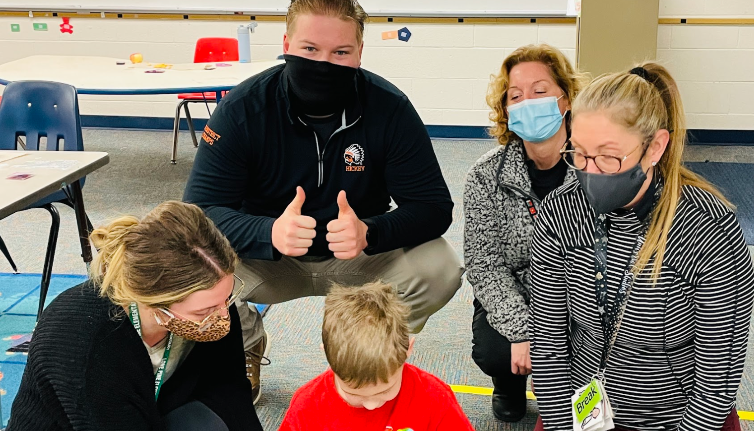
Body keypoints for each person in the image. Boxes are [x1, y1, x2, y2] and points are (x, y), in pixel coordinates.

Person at [183, 0, 462, 404]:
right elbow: (200, 212)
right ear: (286, 44)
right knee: (183, 265)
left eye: (341, 53)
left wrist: (371, 232)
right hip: (265, 259)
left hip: (357, 259)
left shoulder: (389, 108)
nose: (323, 64)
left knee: (440, 266)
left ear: (360, 52)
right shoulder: (243, 109)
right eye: (310, 50)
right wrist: (269, 231)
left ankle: (375, 356)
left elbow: (434, 208)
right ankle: (243, 343)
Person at [529, 62, 754, 431]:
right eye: (580, 154)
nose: (590, 172)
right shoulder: (559, 213)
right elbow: (549, 347)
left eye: (608, 156)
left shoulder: (709, 229)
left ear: (655, 147)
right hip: (583, 412)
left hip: (680, 416)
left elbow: (717, 382)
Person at [7, 201, 262, 431]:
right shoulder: (84, 342)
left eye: (227, 298)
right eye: (204, 311)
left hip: (154, 410)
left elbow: (232, 392)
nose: (222, 314)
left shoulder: (213, 302)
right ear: (152, 301)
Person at [463, 44, 584, 422]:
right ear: (505, 108)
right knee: (494, 350)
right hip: (515, 291)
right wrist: (521, 331)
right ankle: (509, 383)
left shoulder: (594, 166)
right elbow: (484, 265)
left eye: (540, 90)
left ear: (566, 99)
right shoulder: (485, 176)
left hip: (576, 293)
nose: (527, 102)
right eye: (516, 95)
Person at [278, 281, 475, 430]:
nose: (372, 405)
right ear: (328, 356)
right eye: (354, 394)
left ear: (408, 350)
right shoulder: (308, 406)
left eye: (385, 391)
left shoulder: (434, 397)